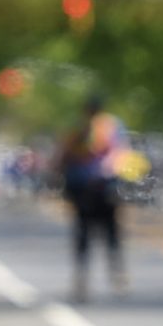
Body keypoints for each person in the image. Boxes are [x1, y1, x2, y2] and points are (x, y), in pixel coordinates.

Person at [58, 97, 128, 301]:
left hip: (97, 186)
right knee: (91, 233)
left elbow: (118, 152)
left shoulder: (105, 126)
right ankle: (89, 278)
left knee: (103, 233)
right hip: (91, 187)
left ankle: (111, 275)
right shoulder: (85, 127)